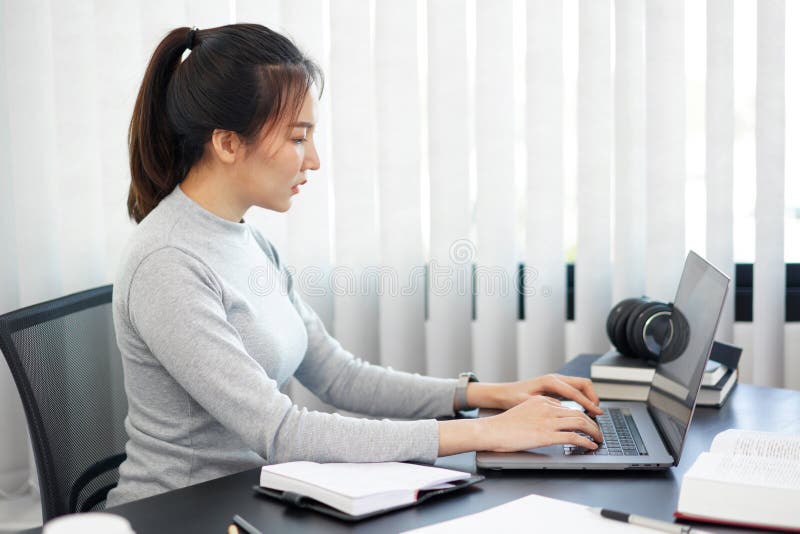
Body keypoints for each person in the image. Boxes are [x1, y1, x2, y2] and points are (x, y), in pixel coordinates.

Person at [106, 23, 603, 507]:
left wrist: (488, 395)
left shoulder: (245, 238)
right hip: (179, 513)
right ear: (228, 143)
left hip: (249, 497)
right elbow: (284, 432)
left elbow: (339, 376)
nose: (314, 159)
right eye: (298, 138)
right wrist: (483, 432)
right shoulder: (167, 263)